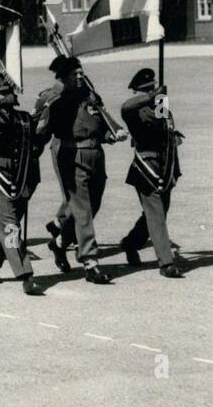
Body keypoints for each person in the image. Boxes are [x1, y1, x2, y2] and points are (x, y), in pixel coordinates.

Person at [35, 55, 120, 285]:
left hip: (95, 154)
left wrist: (111, 134)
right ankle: (90, 262)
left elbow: (100, 122)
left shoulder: (90, 94)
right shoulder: (52, 97)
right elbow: (40, 130)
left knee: (93, 206)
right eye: (75, 74)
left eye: (81, 72)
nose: (81, 76)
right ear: (63, 77)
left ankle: (60, 242)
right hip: (69, 154)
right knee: (82, 209)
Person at [0, 72, 44, 295]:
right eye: (1, 96)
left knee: (6, 227)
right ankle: (26, 275)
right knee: (12, 227)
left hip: (22, 178)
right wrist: (1, 103)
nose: (6, 99)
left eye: (8, 94)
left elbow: (37, 141)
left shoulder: (22, 118)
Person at [118, 67, 184, 278]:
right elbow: (126, 107)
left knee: (158, 213)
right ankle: (166, 262)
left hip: (165, 166)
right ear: (140, 92)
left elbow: (164, 129)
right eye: (147, 91)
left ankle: (131, 243)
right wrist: (152, 97)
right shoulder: (134, 111)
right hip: (146, 167)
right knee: (156, 216)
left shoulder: (160, 106)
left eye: (153, 88)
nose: (152, 93)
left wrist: (174, 134)